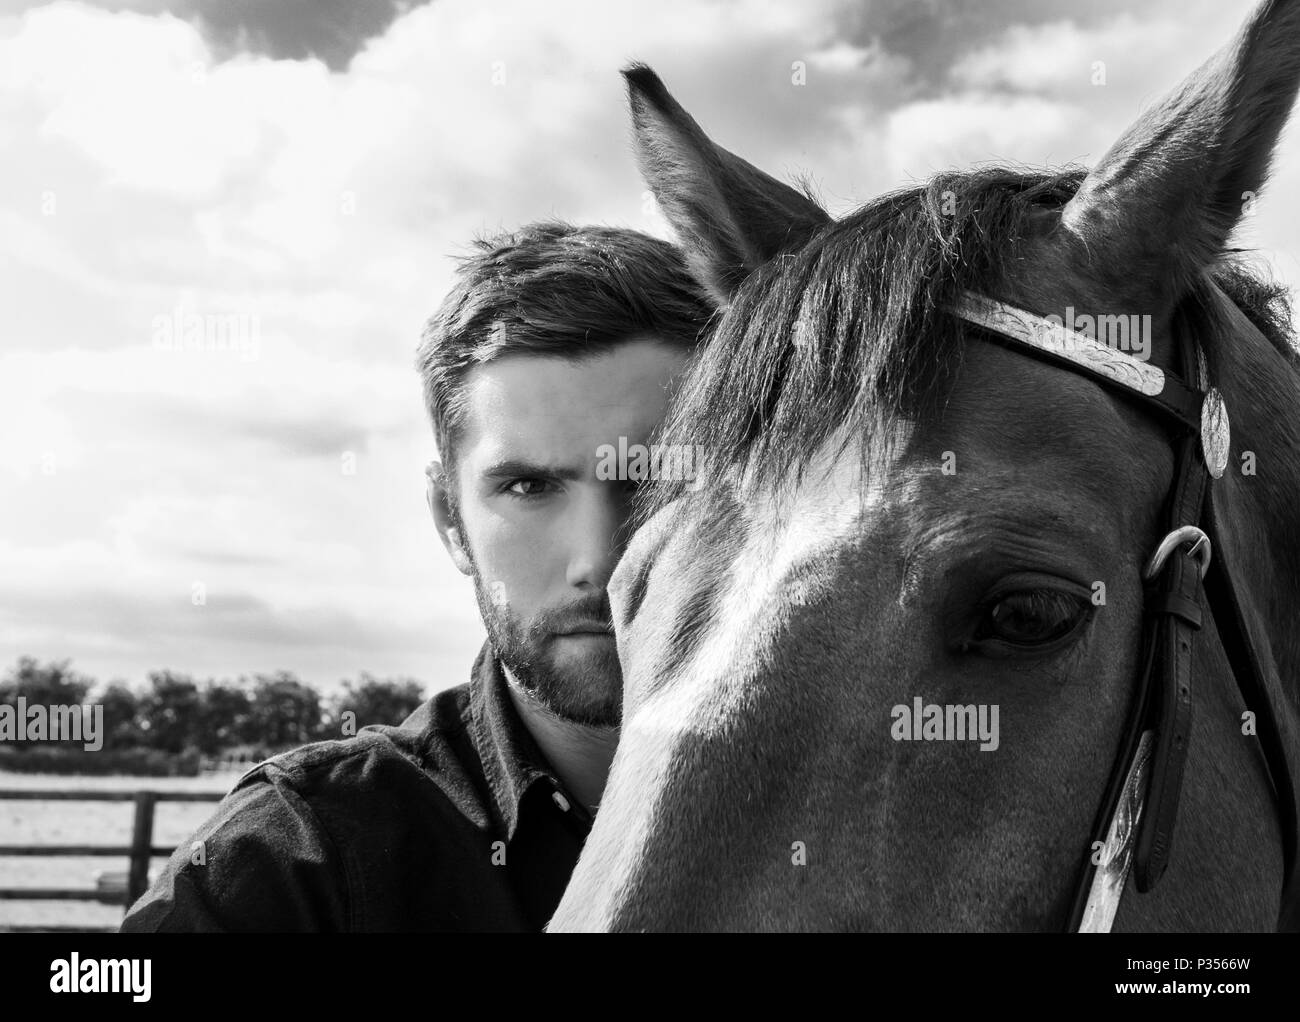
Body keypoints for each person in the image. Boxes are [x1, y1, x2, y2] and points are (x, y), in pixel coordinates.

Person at [119, 222, 713, 931]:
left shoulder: (843, 827)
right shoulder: (296, 864)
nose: (598, 561)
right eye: (527, 487)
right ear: (449, 520)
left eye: (654, 480)